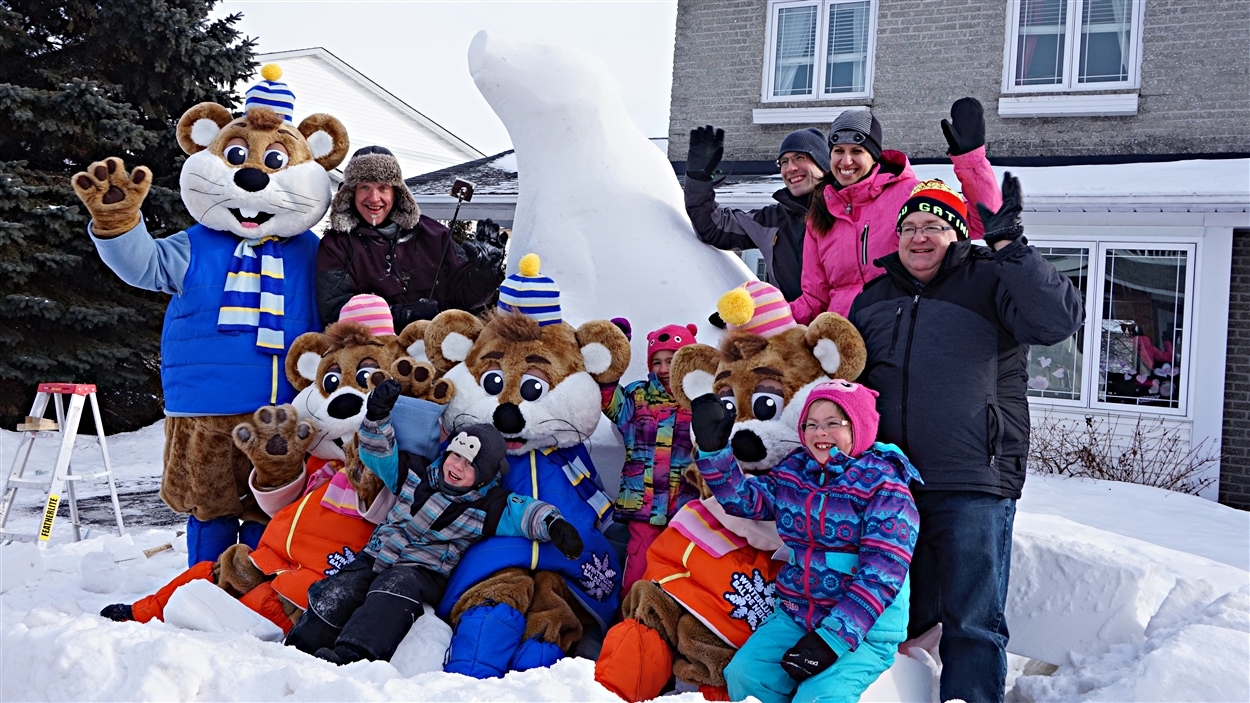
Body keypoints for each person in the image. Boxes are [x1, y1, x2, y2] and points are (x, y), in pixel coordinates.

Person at [847, 175, 1084, 703]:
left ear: (957, 233)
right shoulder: (874, 297)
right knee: (895, 609)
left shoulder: (991, 281)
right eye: (908, 227)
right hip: (891, 483)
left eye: (933, 225)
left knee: (972, 617)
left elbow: (1058, 320)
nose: (918, 237)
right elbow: (852, 384)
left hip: (973, 475)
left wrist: (1010, 249)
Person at [284, 381, 584, 665]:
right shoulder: (416, 472)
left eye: (469, 466)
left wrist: (555, 525)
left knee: (394, 587)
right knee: (343, 585)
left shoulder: (488, 506)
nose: (457, 466)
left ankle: (354, 653)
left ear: (483, 475)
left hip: (420, 574)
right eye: (455, 456)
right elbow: (379, 454)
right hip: (374, 555)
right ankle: (303, 644)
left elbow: (526, 512)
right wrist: (377, 417)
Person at [687, 379, 921, 703]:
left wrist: (832, 640)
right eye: (810, 424)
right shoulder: (795, 471)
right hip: (799, 615)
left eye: (832, 424)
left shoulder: (885, 488)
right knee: (745, 675)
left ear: (859, 429)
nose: (819, 432)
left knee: (819, 697)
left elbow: (882, 575)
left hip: (864, 629)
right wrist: (715, 453)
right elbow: (746, 501)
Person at [789, 98, 1001, 322]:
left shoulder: (912, 195)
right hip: (842, 343)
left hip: (897, 335)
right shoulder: (821, 212)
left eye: (857, 151)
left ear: (874, 155)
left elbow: (983, 222)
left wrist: (970, 160)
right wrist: (763, 318)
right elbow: (814, 299)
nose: (846, 160)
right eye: (838, 150)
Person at [316, 145, 505, 330]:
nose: (374, 198)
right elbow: (334, 314)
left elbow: (466, 296)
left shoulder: (433, 233)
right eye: (364, 187)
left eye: (383, 188)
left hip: (437, 351)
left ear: (397, 193)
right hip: (375, 356)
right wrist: (403, 315)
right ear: (350, 193)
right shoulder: (336, 246)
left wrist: (484, 273)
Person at [600, 323, 701, 594]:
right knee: (636, 572)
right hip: (642, 507)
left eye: (672, 360)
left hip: (685, 508)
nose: (664, 369)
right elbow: (609, 399)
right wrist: (611, 355)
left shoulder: (700, 400)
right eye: (657, 362)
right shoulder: (638, 395)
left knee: (675, 575)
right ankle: (625, 624)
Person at [684, 126, 830, 301]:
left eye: (800, 157)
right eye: (783, 162)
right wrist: (698, 178)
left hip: (848, 326)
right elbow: (714, 227)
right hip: (794, 325)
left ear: (823, 165)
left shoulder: (849, 212)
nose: (790, 168)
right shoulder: (772, 220)